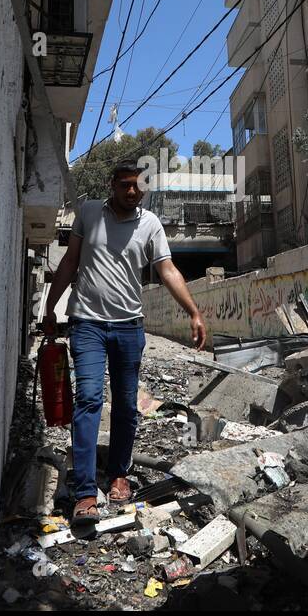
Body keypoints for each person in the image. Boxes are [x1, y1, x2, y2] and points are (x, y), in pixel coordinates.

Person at [41, 159, 207, 528]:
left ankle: (118, 474)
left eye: (138, 186)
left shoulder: (150, 224)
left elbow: (168, 271)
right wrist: (51, 306)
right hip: (86, 324)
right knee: (88, 399)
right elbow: (70, 262)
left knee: (127, 404)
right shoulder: (87, 213)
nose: (131, 191)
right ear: (112, 185)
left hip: (129, 327)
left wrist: (194, 312)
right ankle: (85, 492)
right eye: (124, 185)